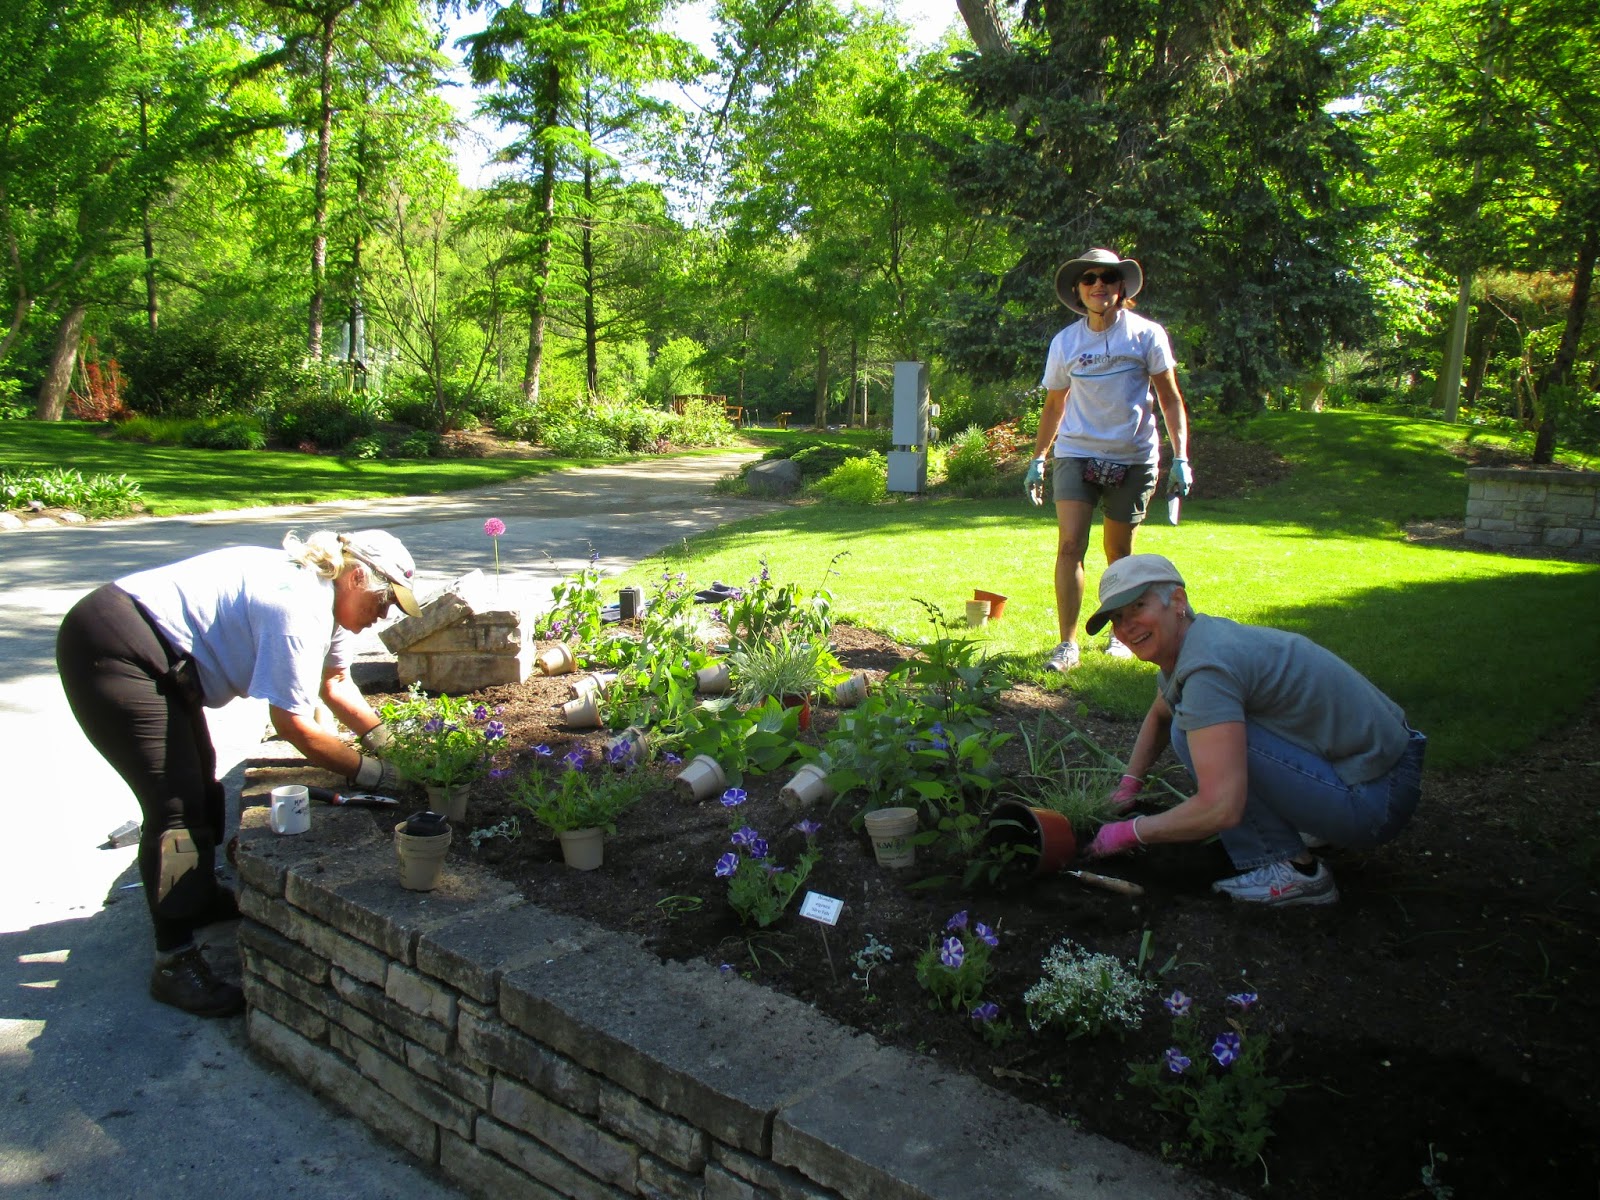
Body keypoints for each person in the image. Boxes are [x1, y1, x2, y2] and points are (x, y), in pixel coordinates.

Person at [56, 529, 422, 1016]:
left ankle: (199, 897)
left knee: (202, 782)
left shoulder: (329, 594)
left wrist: (392, 744)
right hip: (114, 648)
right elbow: (292, 724)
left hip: (166, 659)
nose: (386, 615)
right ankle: (174, 958)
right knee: (176, 806)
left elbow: (334, 683)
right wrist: (377, 775)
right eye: (385, 602)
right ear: (358, 577)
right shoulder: (297, 607)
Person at [1080, 554, 1426, 906]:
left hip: (1376, 799)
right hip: (1380, 767)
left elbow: (1221, 808)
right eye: (1117, 618)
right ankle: (1318, 823)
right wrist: (1128, 787)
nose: (1127, 627)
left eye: (1138, 607)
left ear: (1178, 602)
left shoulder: (1207, 668)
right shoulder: (1201, 640)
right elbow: (1158, 715)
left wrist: (1129, 833)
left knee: (1191, 732)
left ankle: (1293, 872)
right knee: (1192, 724)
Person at [1024, 247, 1193, 671]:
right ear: (1078, 291)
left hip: (1133, 456)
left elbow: (1169, 399)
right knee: (1069, 545)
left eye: (1109, 277)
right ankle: (1066, 644)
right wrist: (1039, 458)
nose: (1099, 284)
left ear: (1121, 288)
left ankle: (1122, 634)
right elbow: (1053, 406)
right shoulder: (1066, 342)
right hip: (1077, 453)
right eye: (1090, 279)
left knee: (1119, 553)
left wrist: (1182, 456)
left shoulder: (1146, 335)